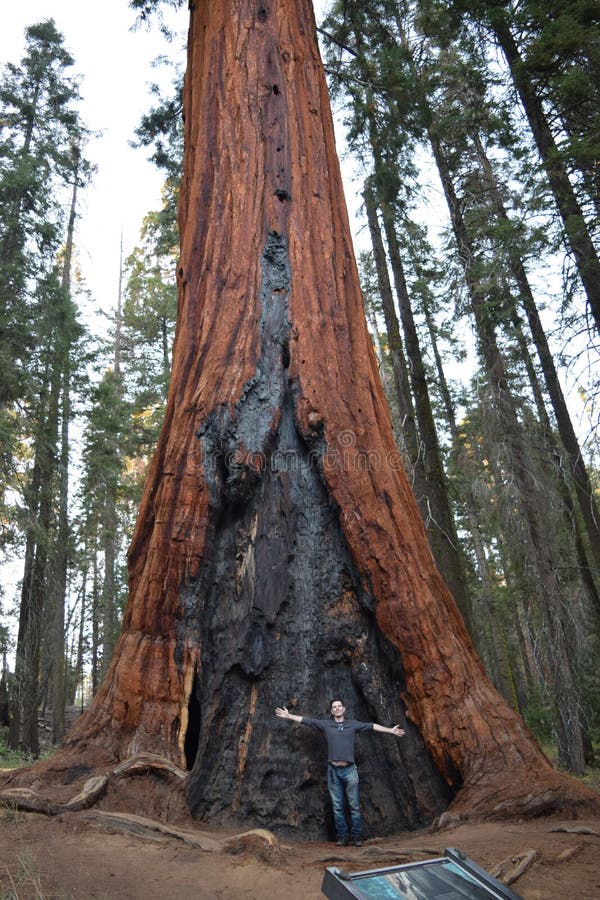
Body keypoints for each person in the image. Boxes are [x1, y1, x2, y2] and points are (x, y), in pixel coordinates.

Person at [275, 698, 405, 846]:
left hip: (350, 770)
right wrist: (289, 716)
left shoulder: (353, 724)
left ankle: (357, 837)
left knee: (354, 805)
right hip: (333, 770)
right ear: (332, 711)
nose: (337, 708)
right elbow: (307, 720)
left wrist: (390, 730)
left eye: (339, 706)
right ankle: (342, 837)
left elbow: (372, 726)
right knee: (337, 806)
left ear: (343, 709)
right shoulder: (326, 725)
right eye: (334, 707)